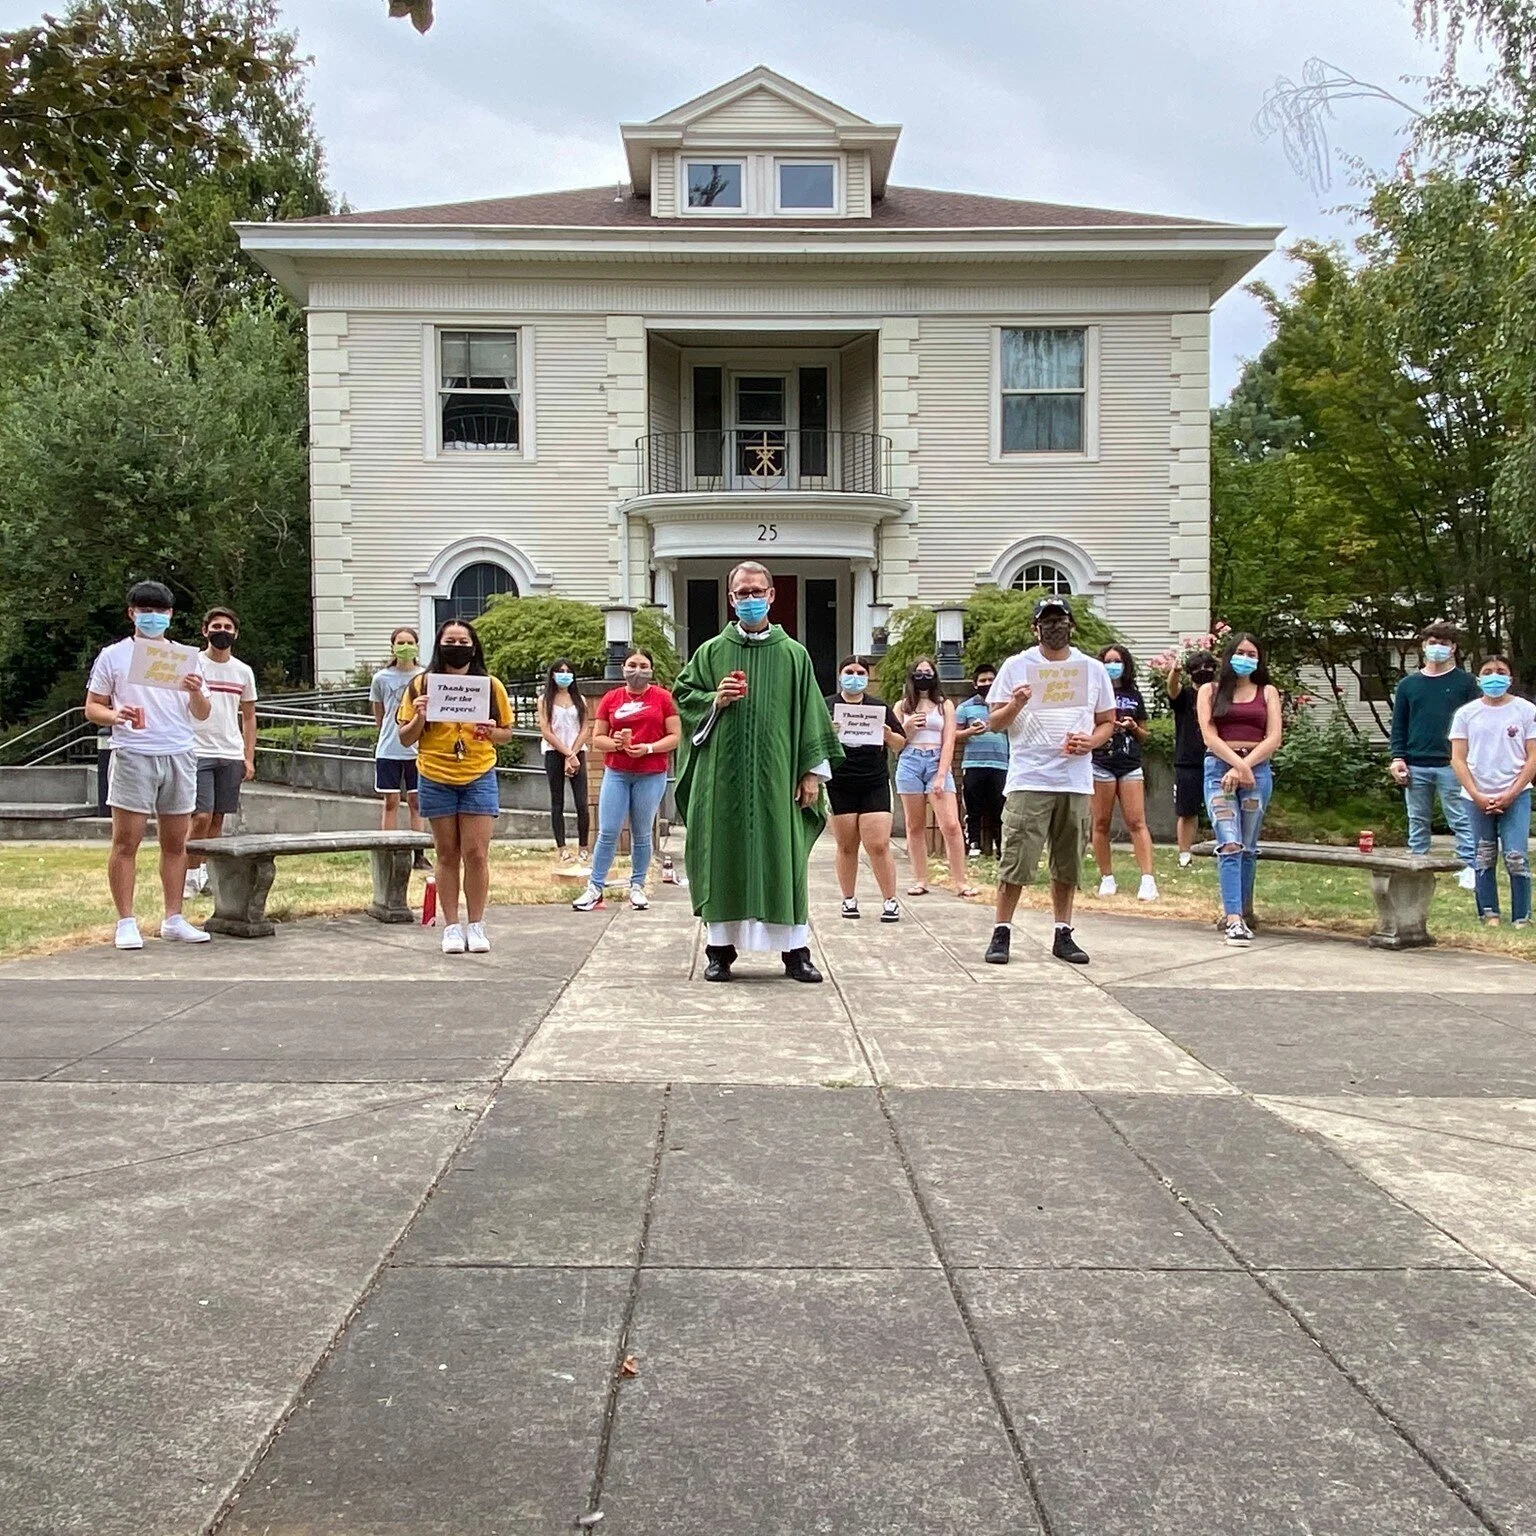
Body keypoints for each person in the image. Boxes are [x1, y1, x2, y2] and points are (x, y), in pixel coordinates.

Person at [673, 561, 842, 983]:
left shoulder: (793, 655)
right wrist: (715, 699)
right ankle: (719, 950)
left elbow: (809, 716)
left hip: (776, 778)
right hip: (721, 779)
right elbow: (683, 698)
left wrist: (810, 773)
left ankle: (795, 952)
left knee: (782, 857)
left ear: (771, 595)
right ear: (731, 600)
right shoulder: (710, 652)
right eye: (741, 593)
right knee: (721, 853)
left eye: (756, 591)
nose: (749, 599)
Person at [982, 596, 1115, 966]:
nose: (1054, 627)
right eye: (1047, 621)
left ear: (1072, 626)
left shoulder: (1091, 669)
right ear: (1035, 627)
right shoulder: (1017, 666)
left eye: (1061, 620)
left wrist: (1091, 741)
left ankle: (1063, 931)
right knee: (1017, 858)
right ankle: (1002, 931)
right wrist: (1017, 704)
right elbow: (995, 722)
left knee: (1068, 861)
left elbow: (1106, 720)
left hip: (1074, 779)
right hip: (1029, 776)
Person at [83, 579, 213, 950]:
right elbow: (93, 707)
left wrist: (194, 691)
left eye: (159, 611)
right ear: (132, 613)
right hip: (133, 751)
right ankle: (126, 920)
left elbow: (202, 712)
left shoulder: (186, 658)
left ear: (170, 615)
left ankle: (173, 916)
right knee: (126, 840)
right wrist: (116, 714)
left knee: (176, 842)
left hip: (178, 751)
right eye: (145, 611)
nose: (153, 617)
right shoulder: (114, 655)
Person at [397, 619, 513, 954]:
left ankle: (475, 924)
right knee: (447, 854)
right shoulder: (421, 684)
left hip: (478, 773)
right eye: (451, 640)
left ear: (474, 647)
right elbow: (405, 739)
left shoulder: (490, 686)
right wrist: (420, 715)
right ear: (439, 644)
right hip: (435, 775)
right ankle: (450, 927)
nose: (457, 646)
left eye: (464, 641)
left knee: (476, 853)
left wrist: (490, 730)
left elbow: (506, 733)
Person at [572, 649, 680, 913]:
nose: (638, 670)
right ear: (623, 668)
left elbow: (675, 736)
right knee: (608, 830)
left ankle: (637, 886)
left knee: (641, 832)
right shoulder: (612, 698)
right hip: (617, 772)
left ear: (651, 670)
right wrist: (617, 744)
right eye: (632, 664)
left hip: (651, 772)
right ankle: (595, 888)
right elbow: (598, 738)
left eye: (643, 665)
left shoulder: (663, 698)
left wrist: (649, 748)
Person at [1198, 633, 1284, 947]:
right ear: (1229, 655)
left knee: (1248, 845)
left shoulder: (1268, 692)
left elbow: (1273, 737)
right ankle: (1233, 919)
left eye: (1252, 653)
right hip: (1219, 769)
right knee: (1229, 841)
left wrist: (1247, 767)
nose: (1245, 658)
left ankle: (1244, 913)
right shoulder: (1209, 691)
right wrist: (1237, 765)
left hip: (1257, 771)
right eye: (1240, 652)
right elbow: (1209, 736)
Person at [1390, 621, 1479, 890]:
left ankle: (1469, 867)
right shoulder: (1408, 685)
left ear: (1453, 648)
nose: (1437, 648)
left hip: (1453, 764)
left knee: (1460, 818)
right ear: (1423, 646)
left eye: (1443, 643)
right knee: (1417, 820)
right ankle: (1418, 866)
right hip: (1415, 763)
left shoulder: (1466, 683)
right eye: (1432, 642)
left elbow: (1476, 723)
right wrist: (1397, 757)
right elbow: (1399, 725)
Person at [1450, 656, 1536, 927]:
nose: (1494, 676)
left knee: (1515, 855)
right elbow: (1458, 758)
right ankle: (1489, 914)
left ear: (1510, 678)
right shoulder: (1466, 714)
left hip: (1517, 794)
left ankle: (1521, 916)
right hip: (1476, 796)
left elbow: (1532, 756)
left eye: (1500, 672)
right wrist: (1476, 794)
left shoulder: (1526, 710)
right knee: (1483, 855)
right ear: (1478, 679)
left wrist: (1511, 793)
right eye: (1487, 672)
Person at [184, 607, 257, 898]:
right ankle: (189, 874)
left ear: (236, 633)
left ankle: (208, 874)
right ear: (205, 631)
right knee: (200, 816)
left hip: (230, 751)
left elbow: (249, 716)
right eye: (216, 626)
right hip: (196, 748)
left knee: (217, 819)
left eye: (228, 627)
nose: (222, 631)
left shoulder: (243, 671)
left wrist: (248, 756)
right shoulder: (192, 665)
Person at [825, 655, 905, 921]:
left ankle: (890, 900)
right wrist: (828, 732)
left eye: (860, 672)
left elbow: (899, 744)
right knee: (847, 845)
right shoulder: (827, 706)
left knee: (879, 844)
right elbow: (811, 741)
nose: (855, 676)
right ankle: (848, 899)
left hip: (874, 782)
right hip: (840, 782)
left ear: (868, 678)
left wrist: (887, 734)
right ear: (839, 674)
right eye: (849, 671)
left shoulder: (878, 707)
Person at [894, 656, 978, 898]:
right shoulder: (902, 707)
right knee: (914, 824)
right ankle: (920, 879)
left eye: (927, 672)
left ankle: (960, 881)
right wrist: (908, 728)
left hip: (935, 760)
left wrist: (942, 774)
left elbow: (949, 739)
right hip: (910, 761)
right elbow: (895, 744)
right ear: (912, 677)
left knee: (950, 824)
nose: (923, 677)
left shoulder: (945, 706)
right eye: (918, 673)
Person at [1090, 644, 1158, 902]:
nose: (1112, 666)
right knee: (1101, 823)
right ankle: (1107, 877)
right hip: (1101, 763)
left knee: (1136, 821)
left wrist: (1130, 727)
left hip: (1129, 763)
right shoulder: (1094, 693)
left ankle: (1148, 879)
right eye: (1108, 661)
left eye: (1117, 661)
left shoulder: (1134, 695)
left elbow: (1144, 735)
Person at [371, 626, 430, 870]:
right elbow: (379, 714)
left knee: (417, 801)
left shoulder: (424, 676)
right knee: (391, 801)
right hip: (389, 749)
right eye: (400, 642)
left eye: (410, 642)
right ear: (393, 647)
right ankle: (389, 851)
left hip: (417, 750)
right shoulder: (381, 678)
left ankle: (419, 854)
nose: (405, 647)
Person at [1164, 648, 1217, 866]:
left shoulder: (1221, 696)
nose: (1203, 672)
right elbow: (1172, 689)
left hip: (1217, 757)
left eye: (1207, 668)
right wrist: (1174, 670)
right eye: (1197, 669)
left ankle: (1226, 849)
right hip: (1188, 761)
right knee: (1187, 811)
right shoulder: (1185, 696)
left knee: (1223, 807)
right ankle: (1185, 854)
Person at [538, 657, 590, 863]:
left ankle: (584, 847)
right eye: (560, 671)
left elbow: (585, 728)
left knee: (581, 803)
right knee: (557, 801)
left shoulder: (580, 700)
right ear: (552, 675)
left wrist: (574, 753)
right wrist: (567, 754)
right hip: (554, 751)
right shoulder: (544, 700)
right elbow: (546, 730)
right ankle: (561, 848)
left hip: (578, 751)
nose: (565, 675)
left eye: (569, 671)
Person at [955, 663, 1008, 858]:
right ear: (975, 684)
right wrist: (970, 731)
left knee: (1000, 808)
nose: (987, 684)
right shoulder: (965, 708)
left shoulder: (1005, 706)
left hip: (1001, 764)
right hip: (973, 764)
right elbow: (952, 735)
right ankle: (974, 845)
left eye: (991, 680)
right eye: (983, 680)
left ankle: (1000, 846)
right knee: (973, 808)